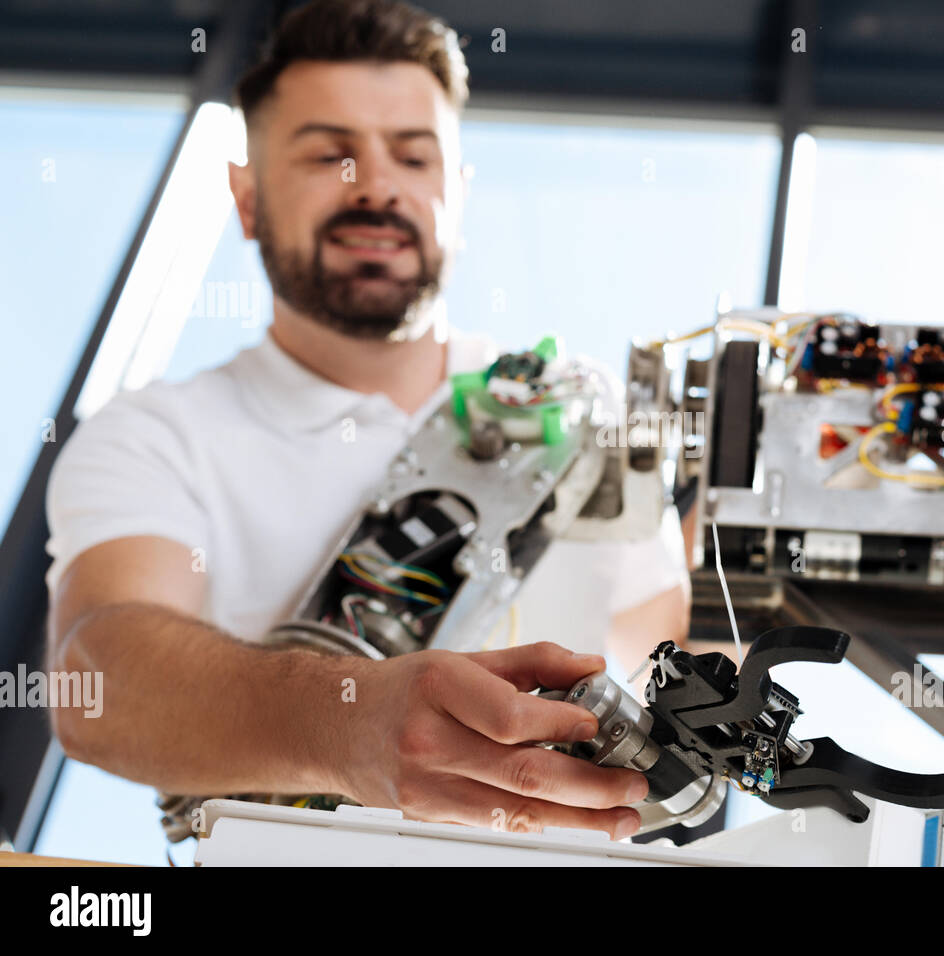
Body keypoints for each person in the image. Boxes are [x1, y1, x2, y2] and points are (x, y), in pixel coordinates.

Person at [43, 0, 693, 842]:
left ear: (454, 193)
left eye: (414, 156)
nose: (377, 185)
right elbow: (96, 682)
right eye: (329, 153)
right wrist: (347, 724)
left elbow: (661, 653)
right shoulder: (157, 435)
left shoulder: (588, 415)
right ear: (245, 198)